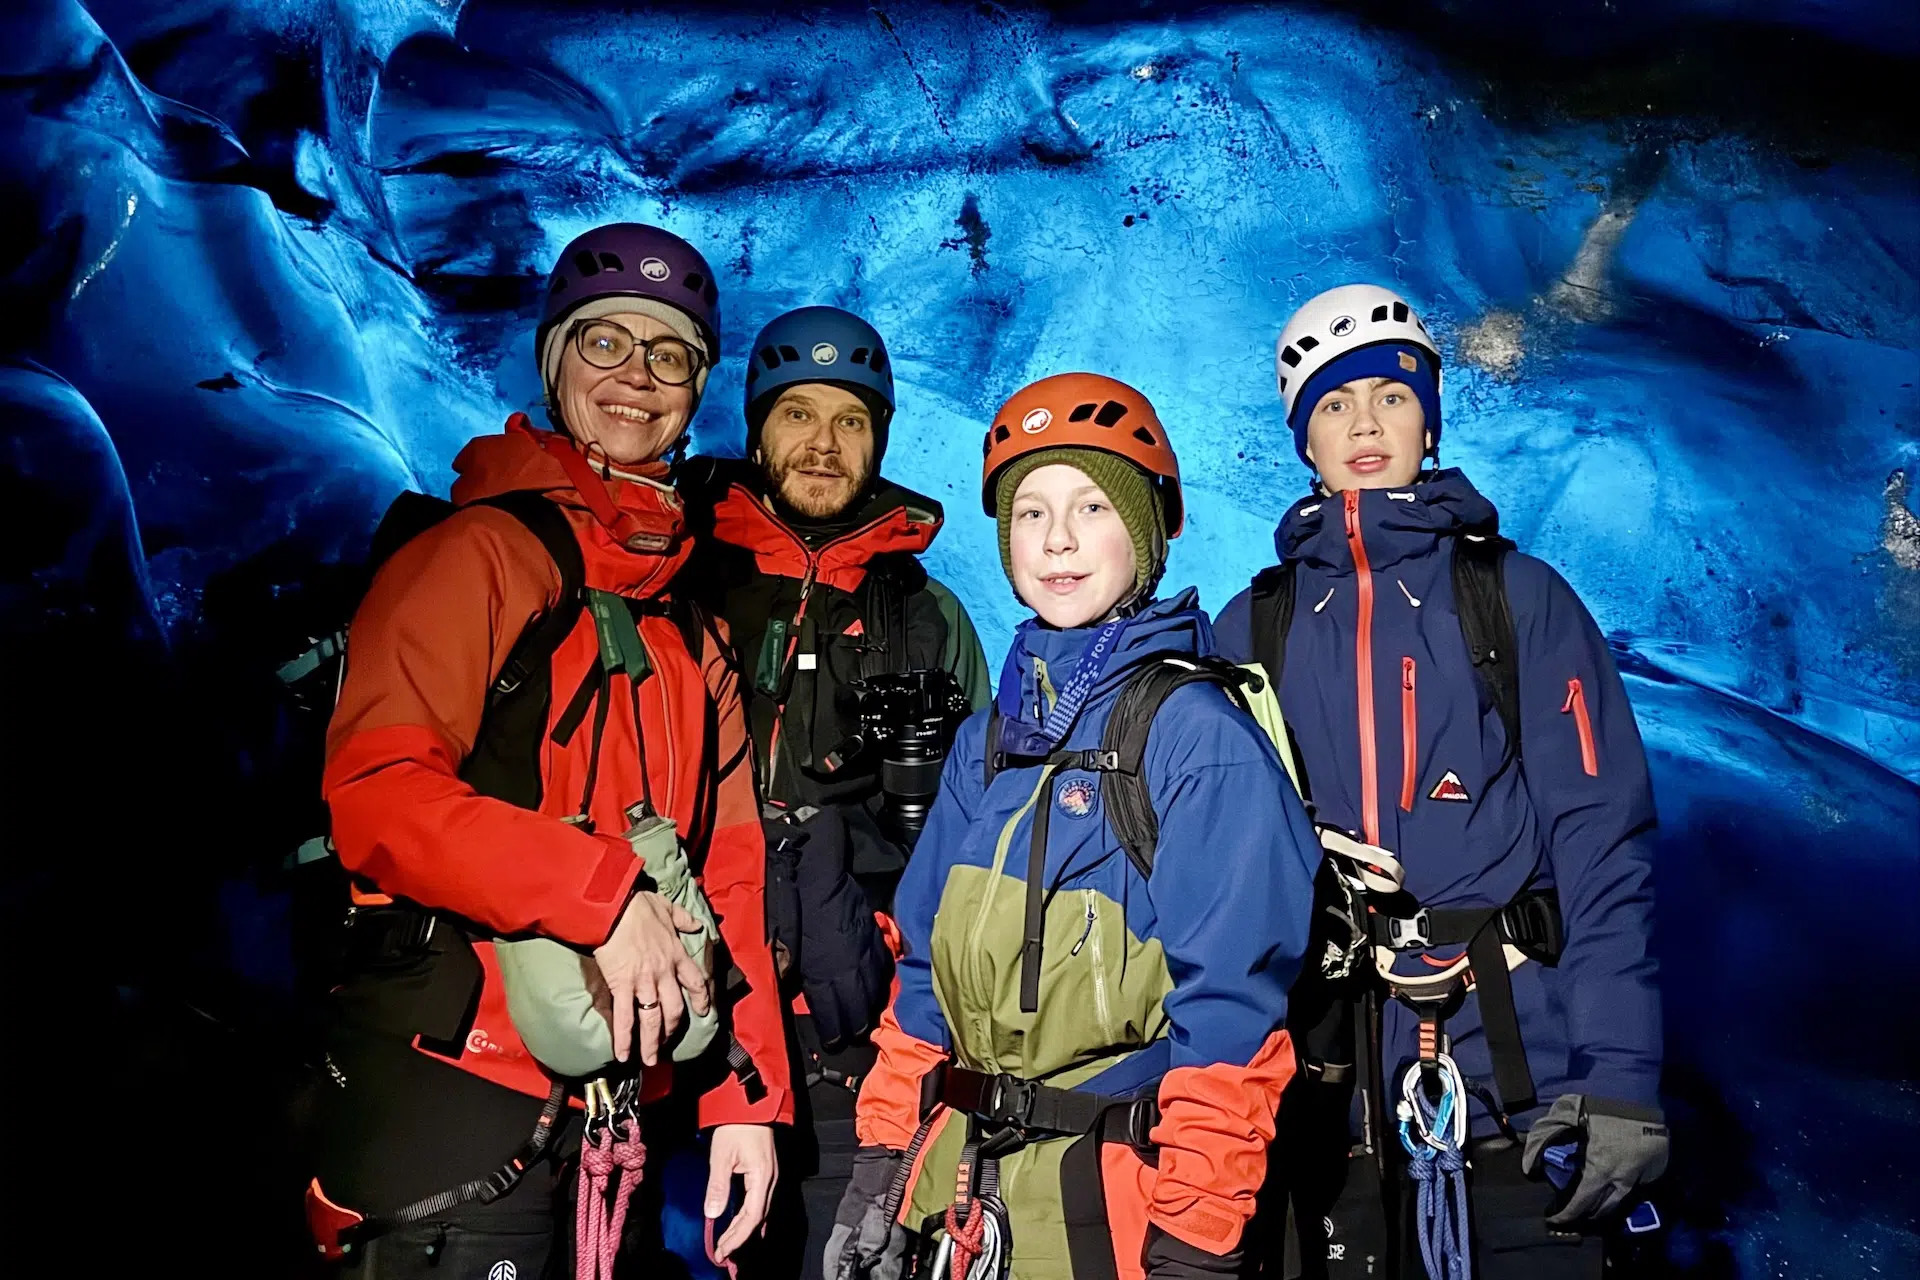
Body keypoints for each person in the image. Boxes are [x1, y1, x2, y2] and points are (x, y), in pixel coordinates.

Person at [311, 223, 791, 1278]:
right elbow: (376, 793)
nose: (637, 376)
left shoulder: (690, 621)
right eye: (604, 342)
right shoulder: (473, 557)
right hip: (452, 1097)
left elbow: (731, 874)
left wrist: (742, 1101)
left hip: (614, 1110)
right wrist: (601, 894)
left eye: (670, 353)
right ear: (553, 360)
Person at [1214, 285, 1666, 1279]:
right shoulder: (1254, 627)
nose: (1364, 423)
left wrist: (1623, 1075)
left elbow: (1602, 839)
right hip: (1328, 1096)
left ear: (1431, 416)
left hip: (1521, 1082)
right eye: (1333, 404)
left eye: (1389, 394)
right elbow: (1206, 872)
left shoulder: (1518, 596)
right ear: (1303, 440)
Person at [826, 373, 1321, 1280]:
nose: (1056, 539)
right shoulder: (991, 739)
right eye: (1030, 513)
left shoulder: (1194, 734)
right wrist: (885, 1157)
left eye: (1092, 506)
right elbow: (925, 966)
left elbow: (1233, 1012)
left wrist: (1200, 1236)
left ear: (1147, 527)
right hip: (962, 1193)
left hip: (1116, 1203)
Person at [676, 304, 992, 1279]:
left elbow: (977, 844)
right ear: (755, 424)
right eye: (797, 413)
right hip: (671, 1011)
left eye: (850, 419)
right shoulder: (674, 570)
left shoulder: (929, 615)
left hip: (840, 1036)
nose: (822, 442)